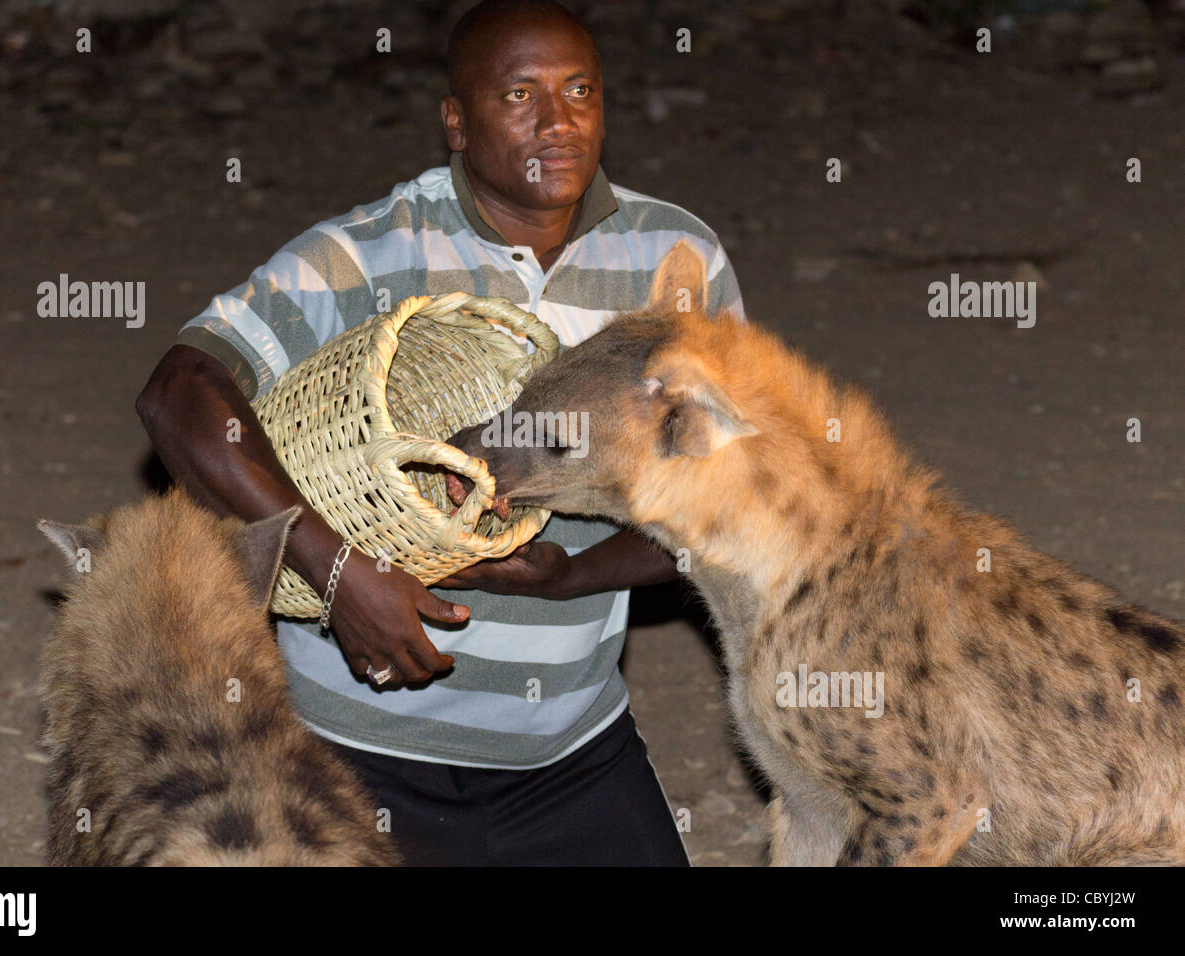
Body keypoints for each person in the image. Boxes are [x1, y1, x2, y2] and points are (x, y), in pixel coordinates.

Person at [136, 0, 743, 866]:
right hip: (353, 758)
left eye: (580, 90)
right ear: (455, 122)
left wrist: (569, 578)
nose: (558, 120)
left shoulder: (674, 260)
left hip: (570, 749)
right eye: (518, 94)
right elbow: (178, 395)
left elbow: (725, 503)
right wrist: (338, 569)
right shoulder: (370, 254)